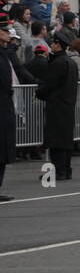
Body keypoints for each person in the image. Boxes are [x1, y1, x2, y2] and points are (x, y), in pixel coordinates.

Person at [0, 12, 37, 200]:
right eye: (5, 30)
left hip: (5, 106)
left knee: (3, 151)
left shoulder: (5, 53)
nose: (8, 33)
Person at [36, 32, 79, 180]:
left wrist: (39, 92)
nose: (51, 46)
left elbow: (49, 84)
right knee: (66, 139)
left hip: (57, 105)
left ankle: (58, 171)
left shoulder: (58, 63)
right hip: (67, 105)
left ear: (57, 44)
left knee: (56, 140)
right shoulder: (70, 62)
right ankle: (66, 170)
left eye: (53, 43)